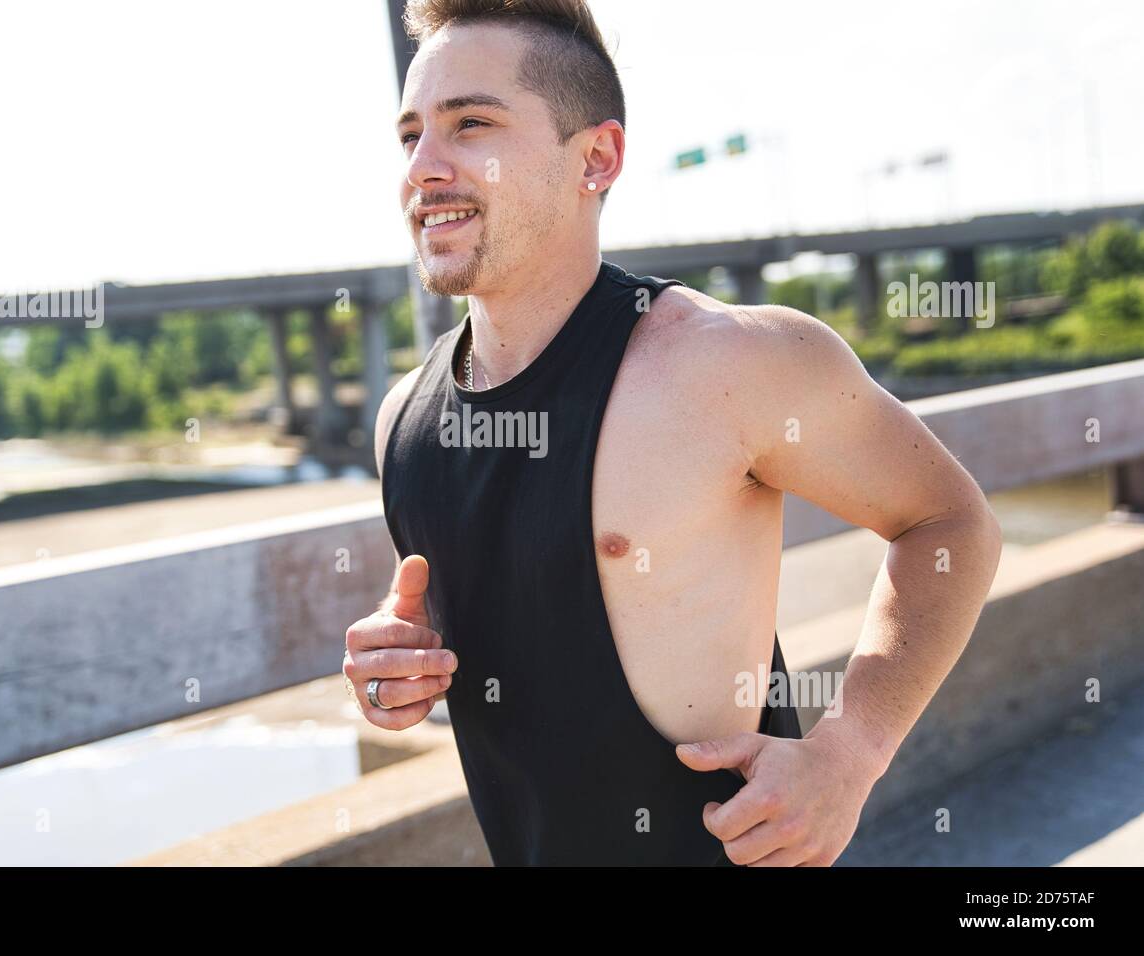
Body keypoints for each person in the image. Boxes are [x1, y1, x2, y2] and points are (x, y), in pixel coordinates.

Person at [342, 0, 1002, 866]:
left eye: (473, 125)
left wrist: (850, 754)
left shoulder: (729, 363)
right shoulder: (405, 422)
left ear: (597, 157)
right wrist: (399, 669)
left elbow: (950, 524)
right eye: (411, 134)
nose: (425, 167)